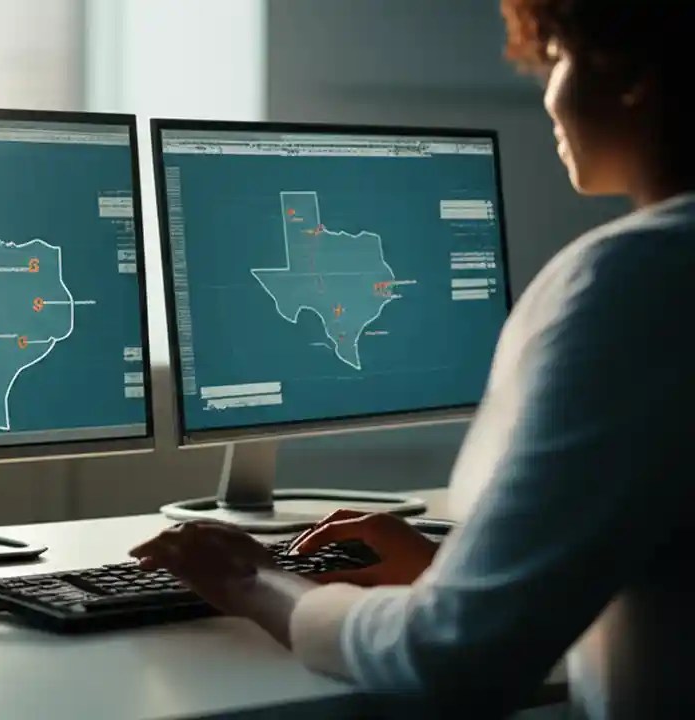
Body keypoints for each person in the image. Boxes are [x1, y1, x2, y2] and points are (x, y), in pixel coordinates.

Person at [130, 1, 695, 717]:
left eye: (555, 54)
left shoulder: (637, 280)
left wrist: (253, 581)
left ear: (634, 70)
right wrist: (466, 577)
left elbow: (454, 658)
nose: (548, 91)